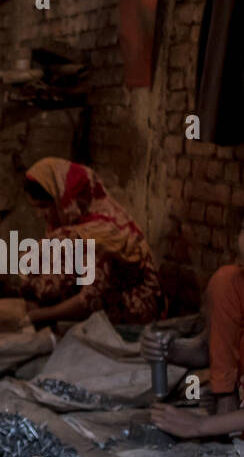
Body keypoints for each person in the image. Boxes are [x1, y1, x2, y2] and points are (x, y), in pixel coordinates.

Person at [19, 157, 166, 326]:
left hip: (132, 310)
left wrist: (40, 316)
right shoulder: (69, 225)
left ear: (66, 199)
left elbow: (91, 300)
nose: (40, 215)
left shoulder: (101, 233)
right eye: (35, 207)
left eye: (44, 206)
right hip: (99, 302)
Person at [144, 226, 244, 439]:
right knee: (225, 281)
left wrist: (203, 425)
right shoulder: (234, 285)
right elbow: (211, 350)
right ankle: (227, 407)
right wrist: (169, 350)